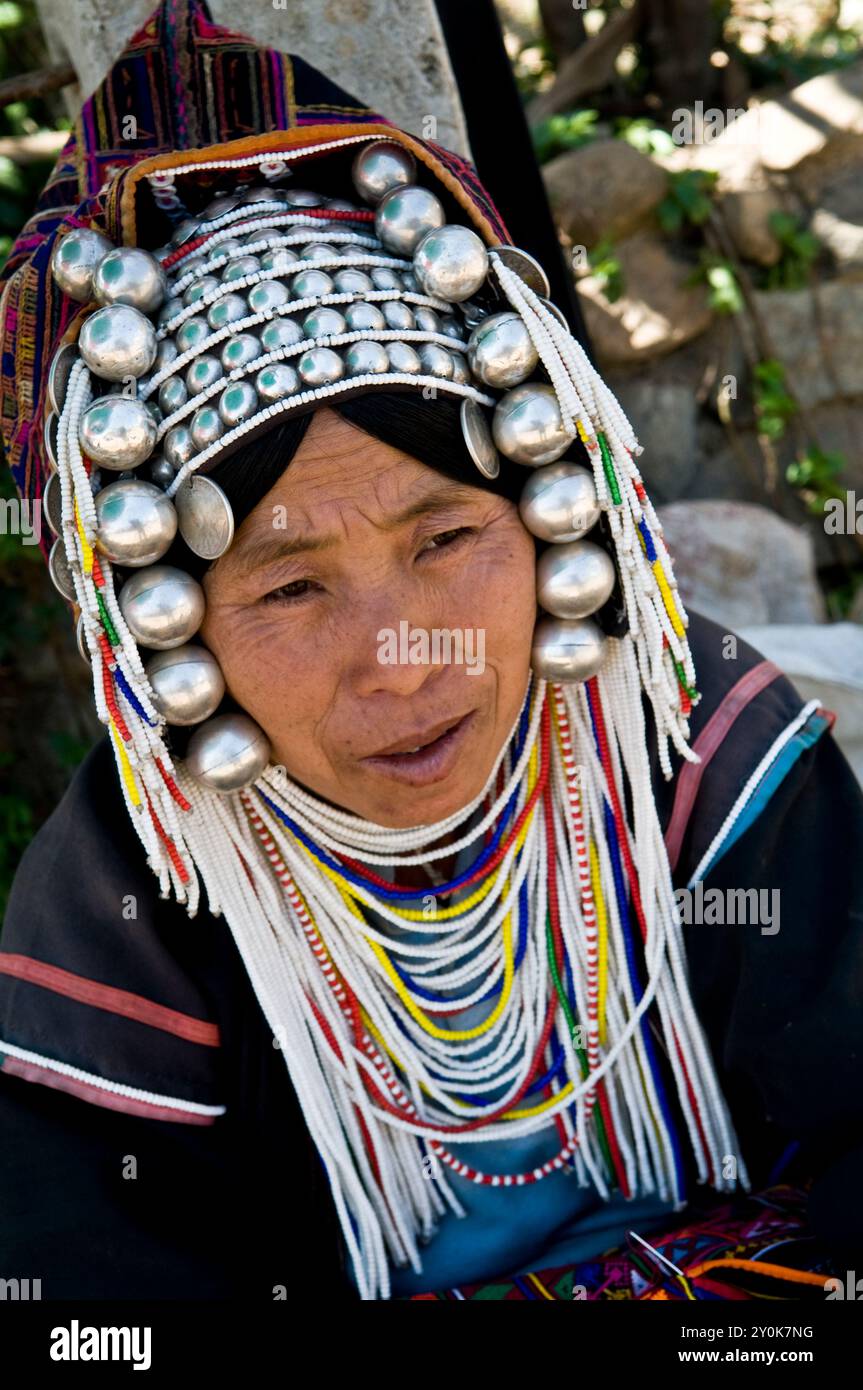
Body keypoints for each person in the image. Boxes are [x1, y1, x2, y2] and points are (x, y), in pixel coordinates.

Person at [0, 0, 861, 1302]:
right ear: (167, 627)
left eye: (447, 535)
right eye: (289, 585)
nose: (396, 657)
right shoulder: (130, 906)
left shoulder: (697, 750)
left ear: (551, 511)